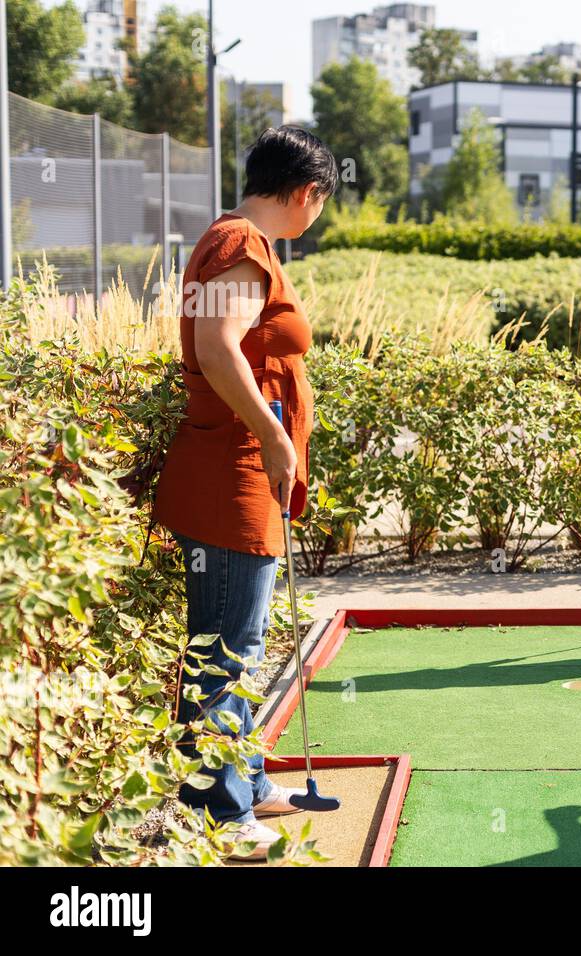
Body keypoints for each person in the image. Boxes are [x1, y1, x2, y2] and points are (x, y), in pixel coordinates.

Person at [152, 127, 338, 859]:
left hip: (239, 476)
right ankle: (222, 815)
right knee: (226, 652)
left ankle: (250, 781)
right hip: (231, 478)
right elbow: (216, 347)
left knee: (239, 644)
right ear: (305, 194)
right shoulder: (242, 247)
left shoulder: (233, 242)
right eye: (320, 202)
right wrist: (272, 434)